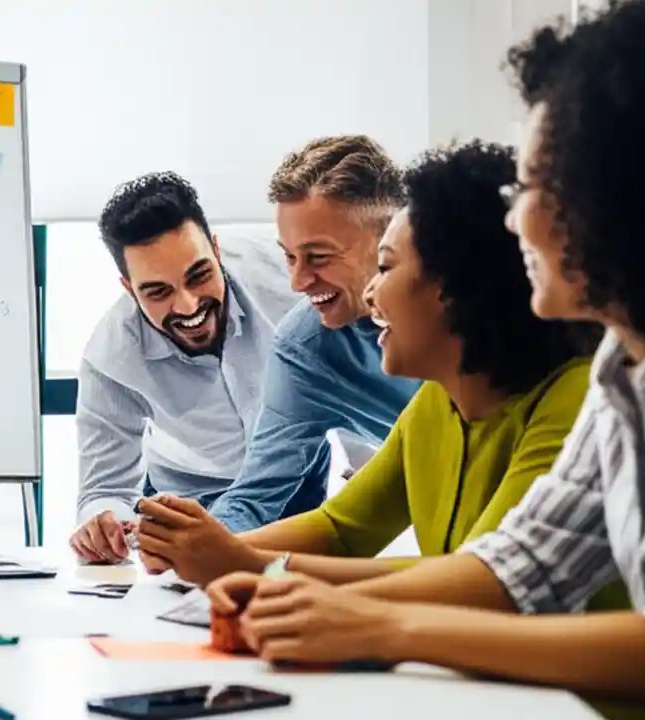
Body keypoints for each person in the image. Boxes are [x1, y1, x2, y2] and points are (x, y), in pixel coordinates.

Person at [210, 1, 645, 713]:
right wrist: (284, 589)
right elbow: (523, 563)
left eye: (535, 186)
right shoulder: (623, 374)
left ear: (623, 194)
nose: (515, 220)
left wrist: (383, 625)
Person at [138, 141, 610, 588]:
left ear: (453, 287)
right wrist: (206, 547)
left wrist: (248, 564)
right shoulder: (432, 405)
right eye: (289, 258)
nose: (371, 295)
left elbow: (483, 577)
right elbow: (341, 530)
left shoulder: (574, 402)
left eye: (385, 268)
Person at [202, 136, 421, 534]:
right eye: (288, 256)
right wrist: (203, 542)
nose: (298, 281)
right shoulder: (307, 347)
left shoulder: (475, 317)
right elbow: (258, 494)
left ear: (390, 239)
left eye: (318, 256)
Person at [69, 171, 293, 563]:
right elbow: (103, 490)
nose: (189, 306)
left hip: (292, 477)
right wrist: (103, 523)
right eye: (158, 292)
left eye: (200, 275)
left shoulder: (287, 276)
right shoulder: (111, 357)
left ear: (217, 251)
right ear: (129, 288)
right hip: (188, 494)